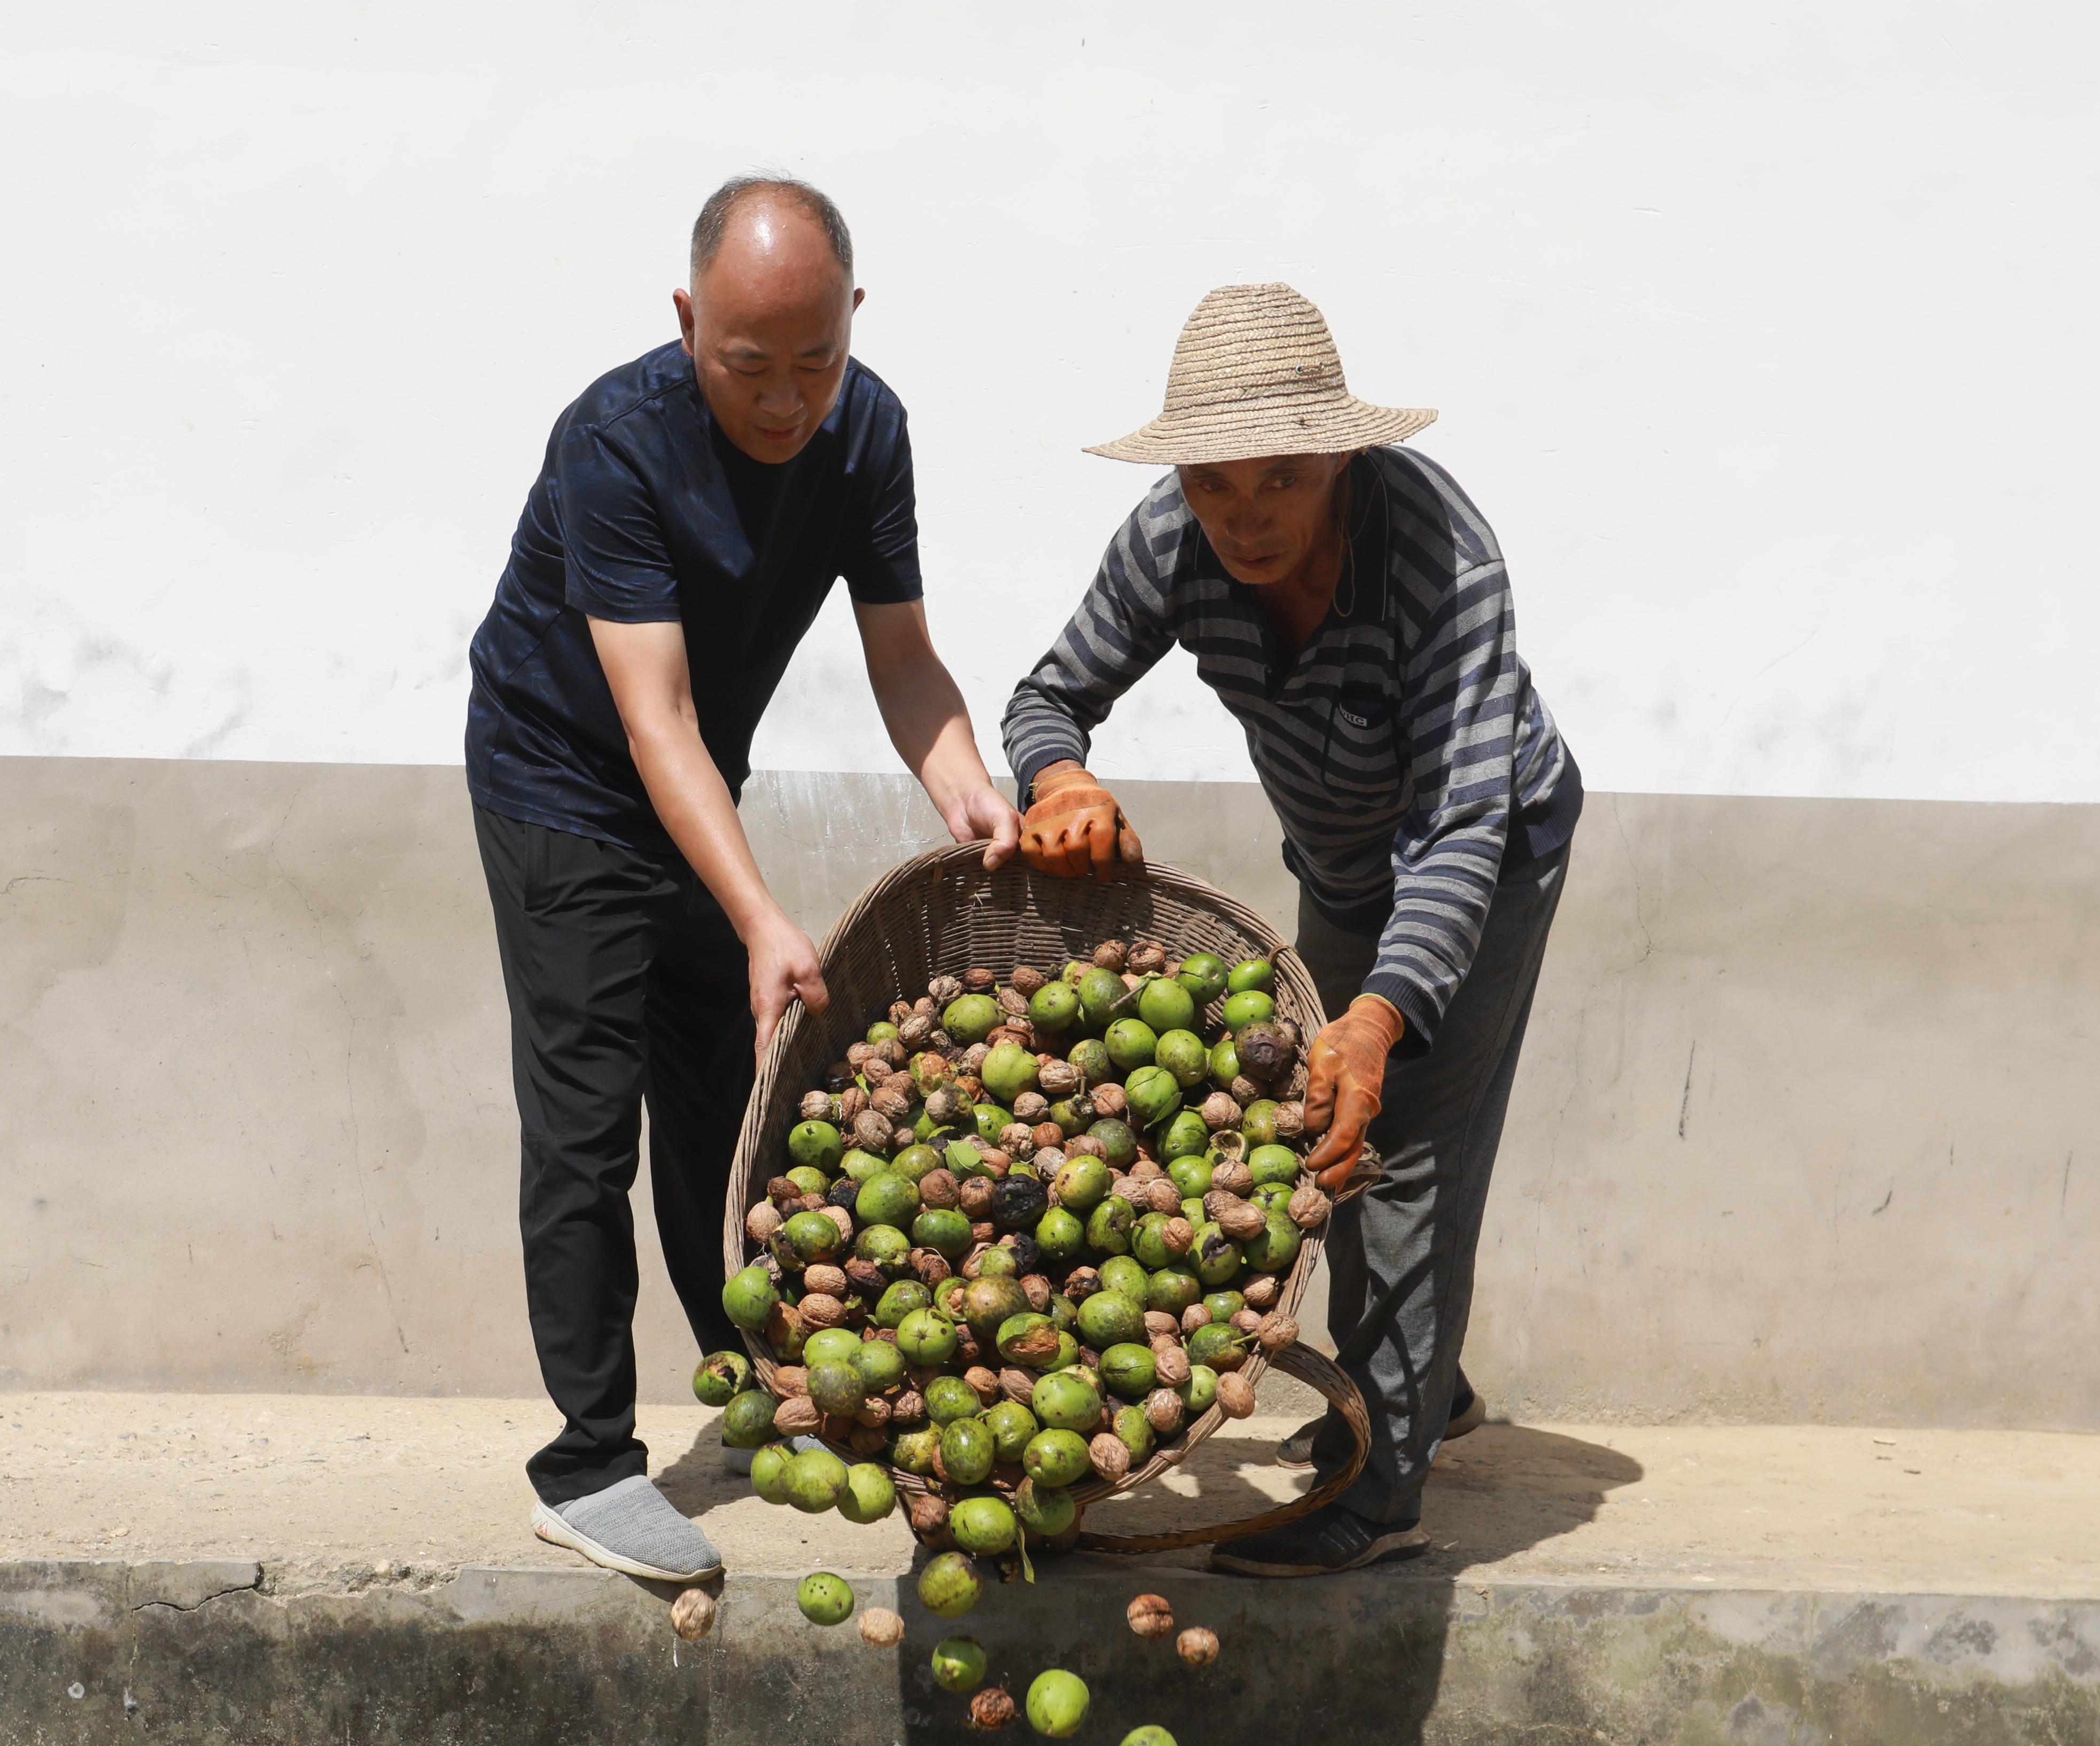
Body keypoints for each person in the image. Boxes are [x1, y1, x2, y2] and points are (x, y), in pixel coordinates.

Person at [470, 176, 1019, 1587]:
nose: (786, 401)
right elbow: (651, 721)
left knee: (732, 1109)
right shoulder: (616, 444)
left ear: (853, 322)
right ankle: (586, 1463)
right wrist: (764, 912)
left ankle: (762, 1381)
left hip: (696, 778)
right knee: (587, 1116)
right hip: (564, 783)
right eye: (746, 365)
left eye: (815, 362)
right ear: (685, 321)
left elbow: (903, 655)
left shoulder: (868, 429)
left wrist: (966, 789)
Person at [1002, 283, 1582, 1577]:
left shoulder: (1443, 560)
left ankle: (1379, 1497)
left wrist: (1380, 1016)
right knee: (1306, 1128)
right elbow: (1049, 695)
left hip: (1490, 841)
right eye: (1215, 483)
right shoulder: (1169, 540)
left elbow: (1458, 827)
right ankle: (1431, 1389)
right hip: (1339, 851)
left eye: (1282, 478)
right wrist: (1062, 781)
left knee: (1403, 1129)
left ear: (1341, 457)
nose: (1245, 516)